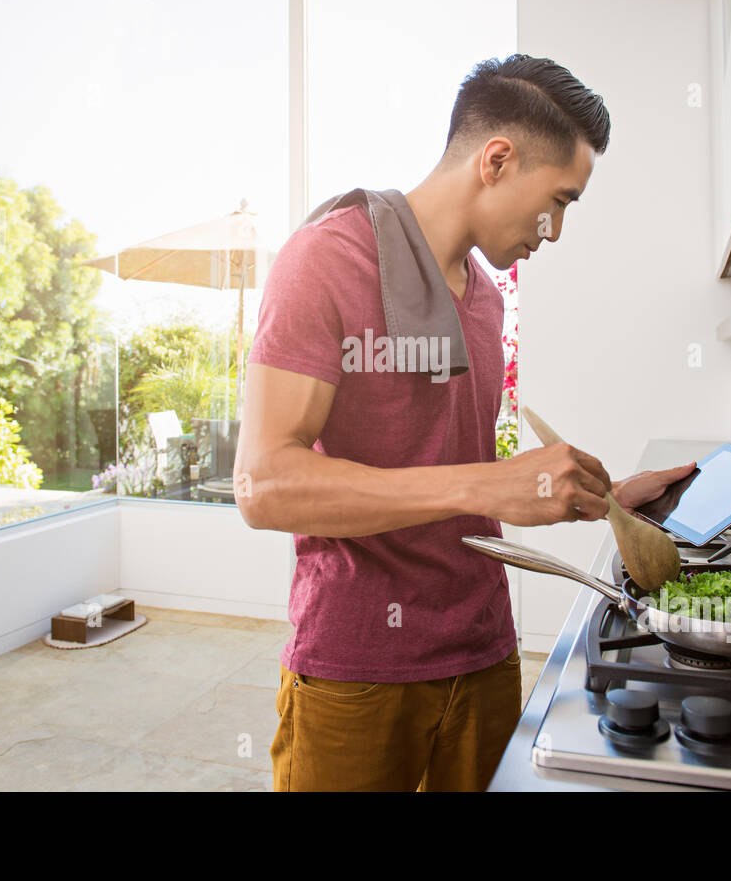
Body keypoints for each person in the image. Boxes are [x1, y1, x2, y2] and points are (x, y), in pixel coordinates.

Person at [233, 54, 694, 791]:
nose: (557, 230)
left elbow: (462, 478)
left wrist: (603, 500)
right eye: (560, 200)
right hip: (359, 672)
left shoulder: (485, 297)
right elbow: (263, 484)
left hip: (484, 658)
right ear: (498, 159)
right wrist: (487, 480)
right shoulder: (325, 259)